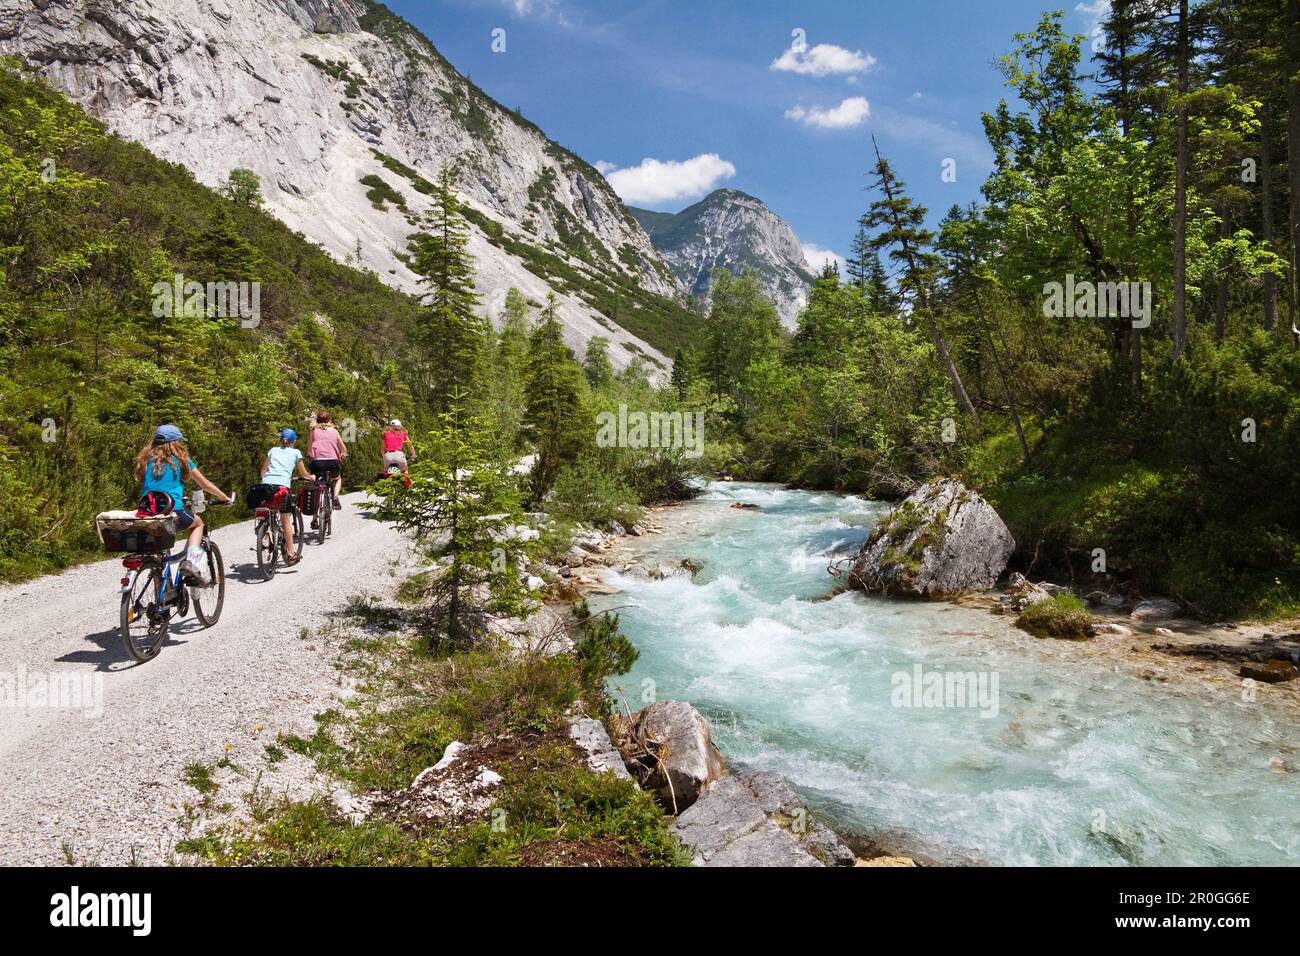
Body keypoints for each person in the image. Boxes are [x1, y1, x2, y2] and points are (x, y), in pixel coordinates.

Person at [134, 424, 231, 583]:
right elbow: (205, 484)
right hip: (173, 511)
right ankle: (192, 561)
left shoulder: (146, 460)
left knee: (161, 554)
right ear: (174, 443)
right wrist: (223, 497)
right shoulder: (181, 460)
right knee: (198, 524)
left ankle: (162, 595)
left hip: (148, 512)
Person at [260, 427, 313, 563]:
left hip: (266, 485)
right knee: (285, 519)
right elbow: (303, 473)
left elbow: (264, 469)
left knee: (267, 509)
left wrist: (263, 481)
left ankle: (264, 530)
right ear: (293, 440)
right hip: (282, 486)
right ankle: (290, 553)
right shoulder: (296, 452)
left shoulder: (272, 450)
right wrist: (310, 477)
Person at [306, 410, 347, 516]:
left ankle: (315, 517)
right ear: (329, 420)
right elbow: (343, 448)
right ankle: (335, 496)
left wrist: (311, 455)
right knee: (337, 478)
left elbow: (309, 449)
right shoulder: (334, 431)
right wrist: (343, 454)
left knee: (315, 485)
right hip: (333, 461)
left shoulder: (313, 430)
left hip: (317, 462)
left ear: (317, 420)